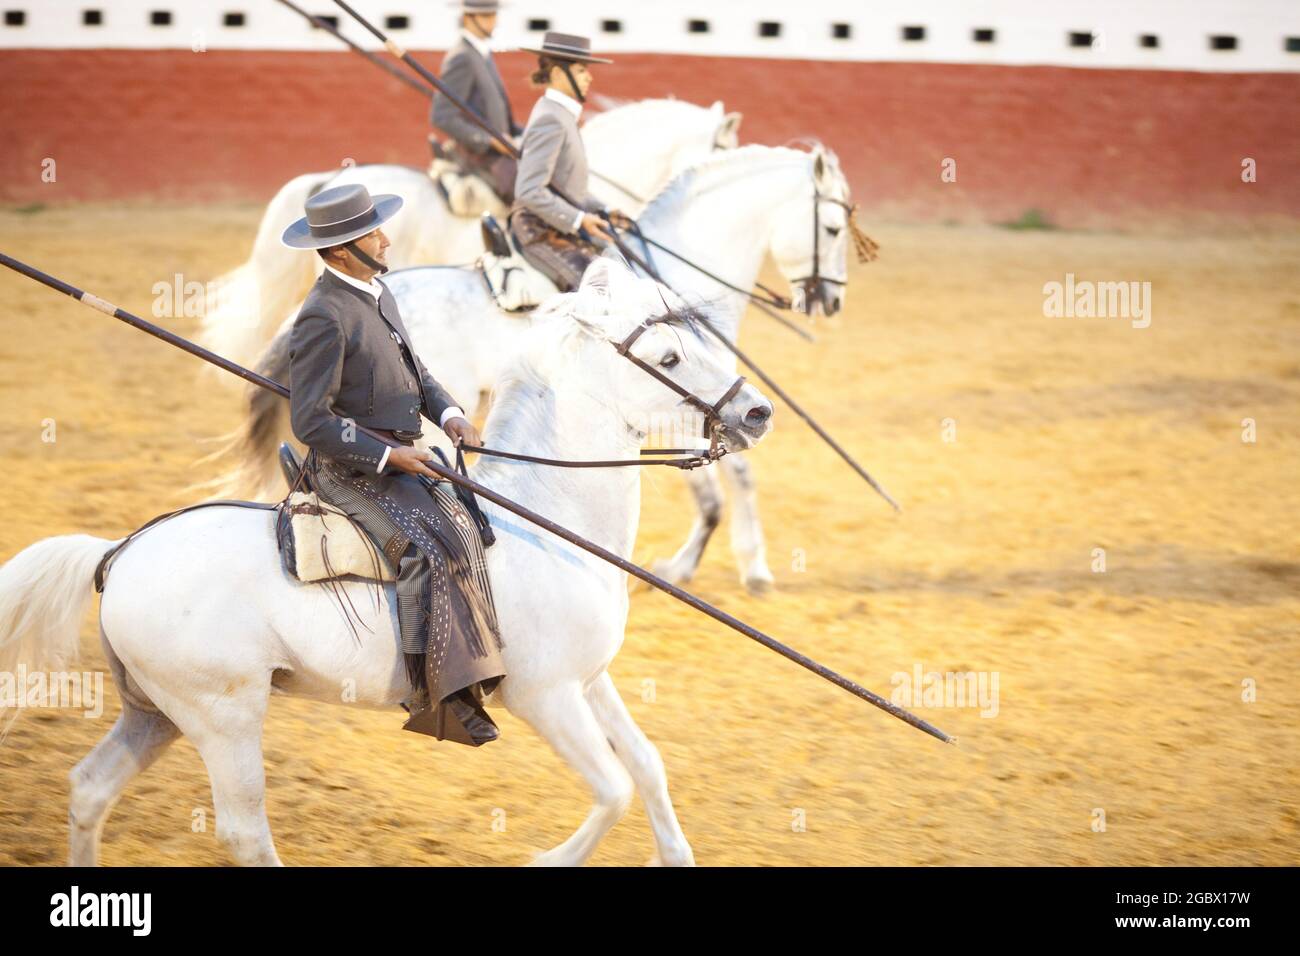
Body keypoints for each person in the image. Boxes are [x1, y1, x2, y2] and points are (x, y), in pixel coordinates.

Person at [281, 183, 505, 747]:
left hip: (402, 456)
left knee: (468, 524)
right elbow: (310, 421)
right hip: (349, 469)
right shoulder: (322, 317)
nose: (385, 238)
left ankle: (475, 664)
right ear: (337, 252)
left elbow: (416, 372)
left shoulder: (378, 292)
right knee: (425, 550)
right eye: (370, 233)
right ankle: (433, 694)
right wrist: (387, 454)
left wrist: (450, 412)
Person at [510, 31, 630, 292]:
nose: (589, 76)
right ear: (556, 73)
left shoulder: (561, 115)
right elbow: (529, 190)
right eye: (581, 70)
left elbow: (566, 186)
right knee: (601, 292)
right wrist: (579, 220)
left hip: (556, 227)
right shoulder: (550, 118)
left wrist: (603, 209)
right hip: (539, 231)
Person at [431, 0, 521, 203]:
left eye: (494, 15)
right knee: (533, 191)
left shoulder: (481, 53)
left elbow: (499, 116)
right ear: (467, 18)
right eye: (487, 16)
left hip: (497, 153)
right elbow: (442, 116)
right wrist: (488, 140)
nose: (494, 22)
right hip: (480, 158)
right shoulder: (461, 57)